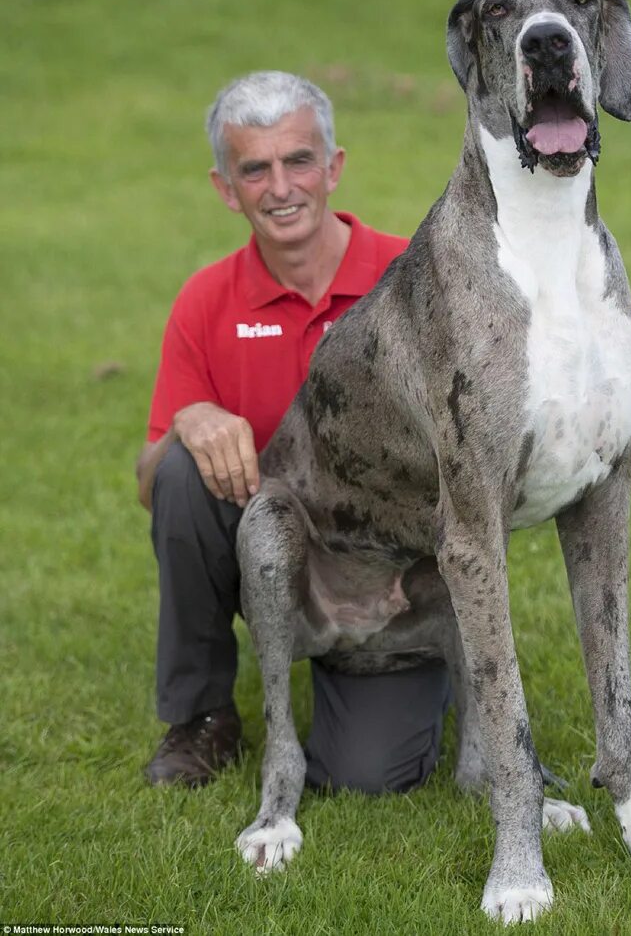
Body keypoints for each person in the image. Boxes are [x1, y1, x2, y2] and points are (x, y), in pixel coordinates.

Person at [137, 71, 450, 791]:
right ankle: (202, 715)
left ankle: (442, 666)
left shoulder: (416, 276)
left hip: (394, 574)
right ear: (226, 188)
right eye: (255, 168)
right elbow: (152, 487)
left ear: (334, 167)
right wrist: (190, 418)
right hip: (274, 556)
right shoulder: (205, 300)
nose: (281, 186)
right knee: (182, 468)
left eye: (298, 160)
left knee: (367, 775)